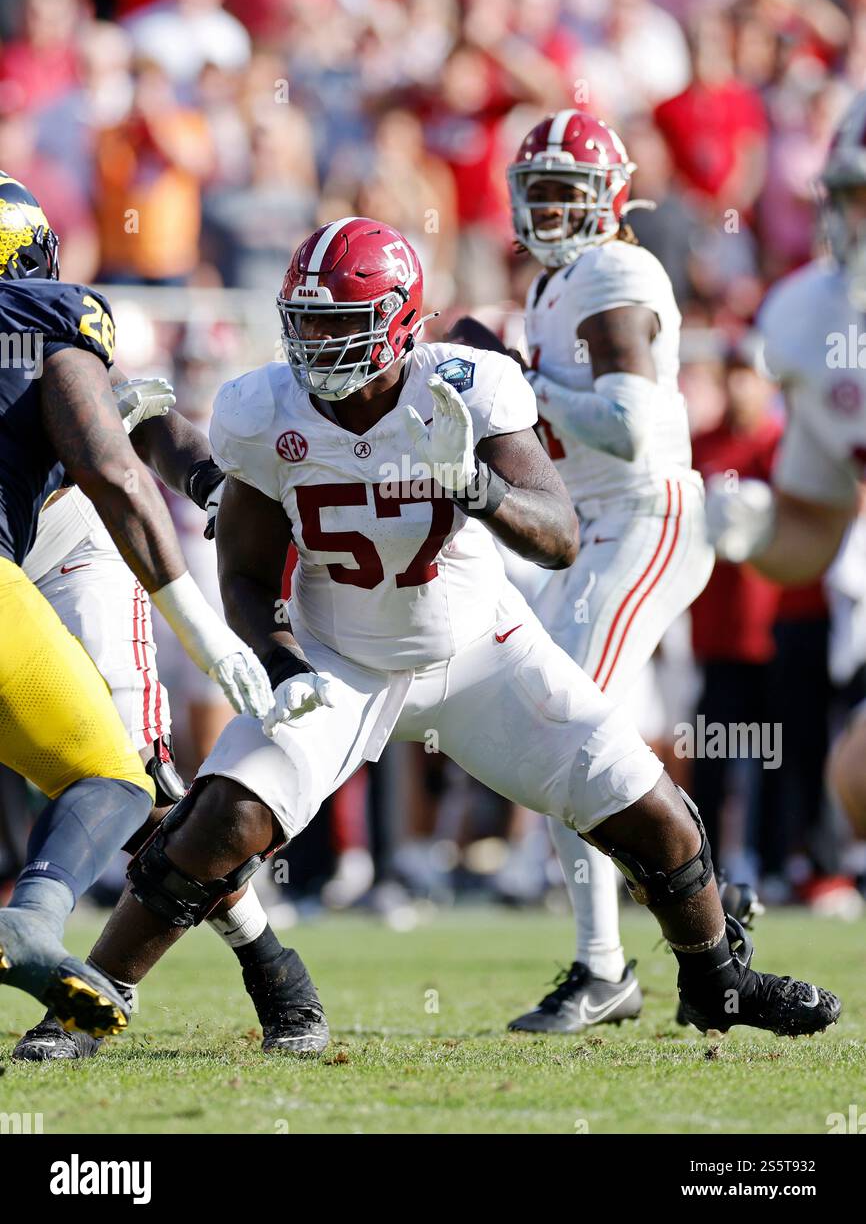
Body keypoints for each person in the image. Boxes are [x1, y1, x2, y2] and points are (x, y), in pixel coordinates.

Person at [68, 216, 839, 1045]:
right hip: (343, 656)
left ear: (399, 320)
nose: (317, 342)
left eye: (340, 322)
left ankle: (717, 983)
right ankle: (86, 1002)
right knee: (221, 820)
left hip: (479, 650)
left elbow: (559, 532)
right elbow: (248, 574)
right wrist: (282, 660)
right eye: (307, 320)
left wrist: (476, 486)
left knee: (655, 815)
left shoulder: (466, 387)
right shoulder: (262, 408)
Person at [0, 171, 275, 1037]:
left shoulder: (56, 339)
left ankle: (266, 958)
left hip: (75, 540)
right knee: (112, 781)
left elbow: (137, 423)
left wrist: (213, 487)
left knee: (147, 778)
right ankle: (43, 928)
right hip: (27, 552)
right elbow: (121, 448)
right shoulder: (54, 314)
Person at [495, 110, 714, 1034]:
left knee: (569, 719)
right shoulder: (560, 280)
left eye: (563, 191)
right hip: (599, 525)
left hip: (643, 514)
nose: (547, 208)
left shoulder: (614, 271)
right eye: (535, 190)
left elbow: (626, 423)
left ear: (608, 198)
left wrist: (522, 381)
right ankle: (702, 889)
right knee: (562, 724)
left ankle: (606, 966)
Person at [705, 90, 866, 847]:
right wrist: (761, 526)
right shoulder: (814, 319)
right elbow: (815, 522)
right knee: (857, 779)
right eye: (856, 198)